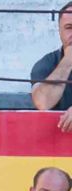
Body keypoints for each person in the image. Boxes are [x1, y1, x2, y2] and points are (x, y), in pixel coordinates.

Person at [31, 1, 72, 134]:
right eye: (69, 27)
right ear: (59, 31)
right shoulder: (46, 64)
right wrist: (68, 60)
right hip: (57, 147)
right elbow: (43, 103)